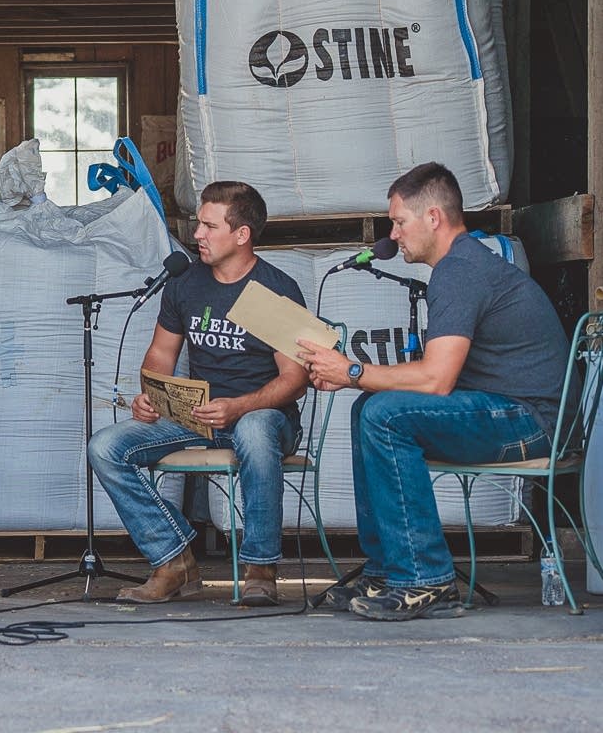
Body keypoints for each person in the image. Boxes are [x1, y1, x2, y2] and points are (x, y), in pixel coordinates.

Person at [299, 163, 567, 621]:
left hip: (530, 421)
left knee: (383, 413)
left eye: (399, 222)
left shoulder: (459, 271)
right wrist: (353, 376)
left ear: (434, 218)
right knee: (369, 405)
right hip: (507, 409)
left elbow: (436, 380)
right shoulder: (461, 265)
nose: (394, 234)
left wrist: (353, 369)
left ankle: (424, 576)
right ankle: (387, 569)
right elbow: (431, 376)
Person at [88, 182, 309, 606]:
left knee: (256, 430)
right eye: (198, 225)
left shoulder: (275, 289)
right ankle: (173, 560)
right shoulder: (186, 284)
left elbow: (294, 379)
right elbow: (160, 353)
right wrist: (150, 393)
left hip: (263, 416)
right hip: (197, 419)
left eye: (209, 226)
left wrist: (240, 407)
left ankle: (261, 568)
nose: (197, 235)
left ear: (241, 235)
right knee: (106, 446)